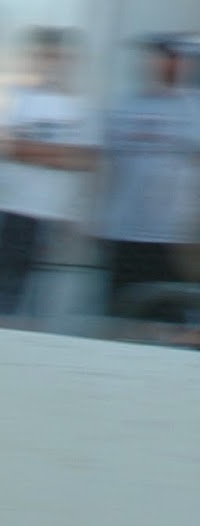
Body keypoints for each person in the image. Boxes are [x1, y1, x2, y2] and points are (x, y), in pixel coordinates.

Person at [0, 28, 97, 324]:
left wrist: (24, 147)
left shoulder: (82, 106)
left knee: (41, 294)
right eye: (44, 56)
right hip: (10, 206)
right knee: (0, 288)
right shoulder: (12, 97)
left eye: (57, 57)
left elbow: (86, 159)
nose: (51, 63)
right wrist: (57, 153)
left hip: (54, 212)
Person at [97, 36, 200, 325]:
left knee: (166, 317)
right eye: (162, 58)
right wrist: (97, 220)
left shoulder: (193, 109)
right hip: (123, 231)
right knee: (119, 314)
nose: (168, 65)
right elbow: (107, 165)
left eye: (175, 59)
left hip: (171, 238)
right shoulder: (125, 106)